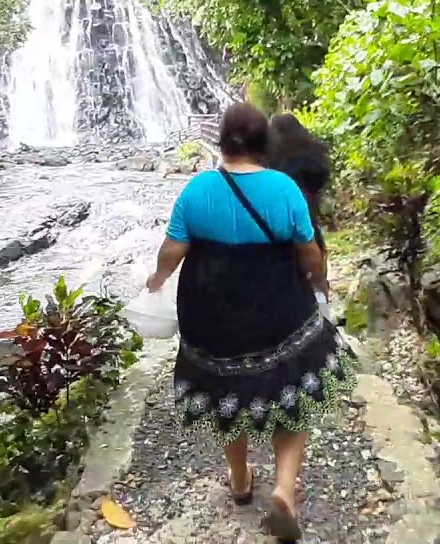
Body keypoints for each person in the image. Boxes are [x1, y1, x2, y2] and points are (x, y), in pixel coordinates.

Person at [146, 103, 358, 542]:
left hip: (212, 315)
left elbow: (173, 249)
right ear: (265, 144)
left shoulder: (198, 189)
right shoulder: (283, 189)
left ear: (221, 142)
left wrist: (158, 279)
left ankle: (241, 480)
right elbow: (308, 252)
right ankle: (283, 489)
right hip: (277, 312)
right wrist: (319, 283)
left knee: (227, 392)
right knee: (294, 388)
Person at [265, 113, 333, 313]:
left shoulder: (273, 159)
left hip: (278, 226)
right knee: (316, 270)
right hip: (308, 219)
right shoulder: (316, 155)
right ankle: (323, 312)